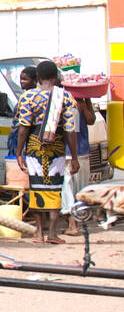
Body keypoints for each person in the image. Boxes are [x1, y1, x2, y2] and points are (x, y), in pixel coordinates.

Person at [15, 60, 79, 244]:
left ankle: (38, 233)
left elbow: (23, 128)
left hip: (34, 148)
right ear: (56, 77)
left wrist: (19, 153)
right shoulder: (66, 98)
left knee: (36, 187)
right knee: (54, 189)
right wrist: (74, 157)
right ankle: (52, 233)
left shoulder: (28, 98)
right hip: (57, 149)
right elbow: (70, 130)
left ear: (37, 78)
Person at [63, 93, 96, 236]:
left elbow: (75, 128)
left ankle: (72, 224)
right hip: (78, 152)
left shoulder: (72, 104)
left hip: (72, 153)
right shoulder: (78, 104)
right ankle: (75, 222)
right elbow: (90, 120)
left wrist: (86, 102)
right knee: (79, 188)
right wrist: (86, 102)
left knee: (69, 188)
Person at [6, 66, 38, 157]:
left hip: (22, 139)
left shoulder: (31, 97)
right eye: (21, 79)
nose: (21, 82)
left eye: (25, 79)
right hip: (16, 137)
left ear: (34, 80)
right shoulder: (24, 95)